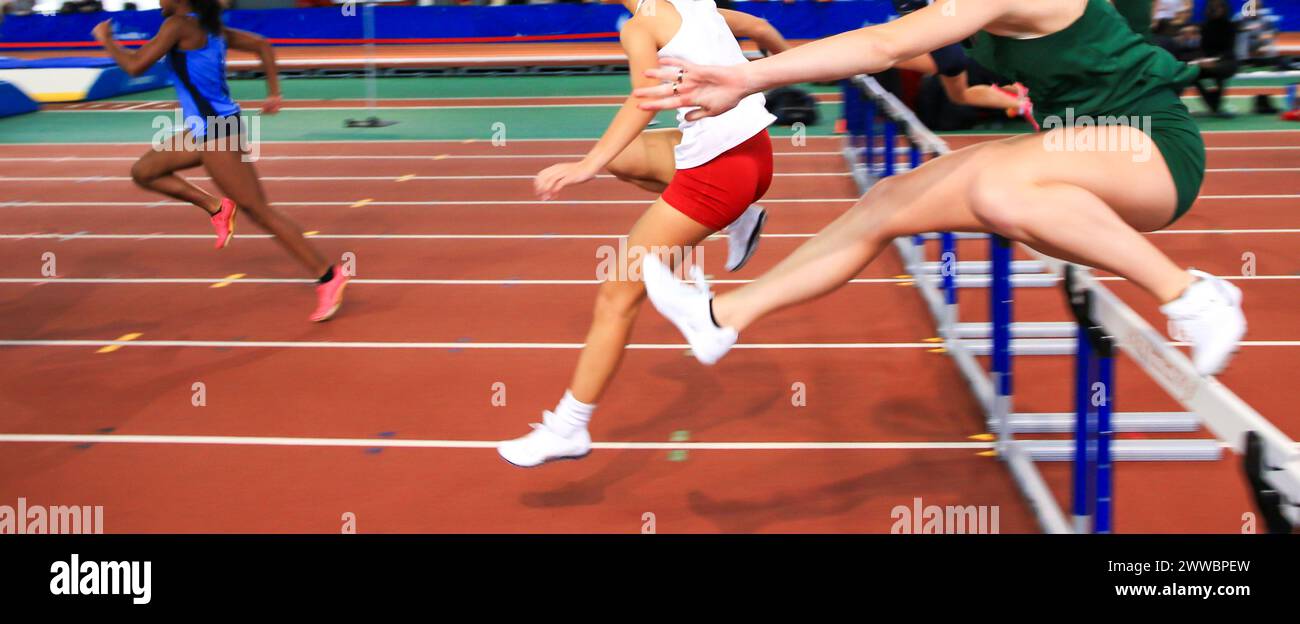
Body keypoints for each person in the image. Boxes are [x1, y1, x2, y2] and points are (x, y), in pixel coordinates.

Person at [635, 0, 1245, 378]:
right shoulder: (968, 12)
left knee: (997, 187)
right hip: (1079, 152)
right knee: (885, 204)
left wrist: (747, 77)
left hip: (1150, 149)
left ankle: (1191, 295)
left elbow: (885, 45)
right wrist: (785, 62)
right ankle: (723, 317)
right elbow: (890, 48)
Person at [497, 0, 779, 467]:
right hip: (755, 157)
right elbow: (760, 26)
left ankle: (568, 428)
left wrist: (586, 167)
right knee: (622, 157)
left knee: (617, 294)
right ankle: (741, 217)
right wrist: (777, 66)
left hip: (718, 175)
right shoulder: (698, 3)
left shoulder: (639, 27)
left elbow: (643, 100)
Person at [92, 0, 349, 321]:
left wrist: (107, 40)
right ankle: (217, 207)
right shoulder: (209, 27)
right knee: (144, 171)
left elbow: (134, 66)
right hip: (204, 130)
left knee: (259, 211)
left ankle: (327, 276)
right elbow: (262, 45)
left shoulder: (179, 25)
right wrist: (274, 93)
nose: (159, 1)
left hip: (218, 132)